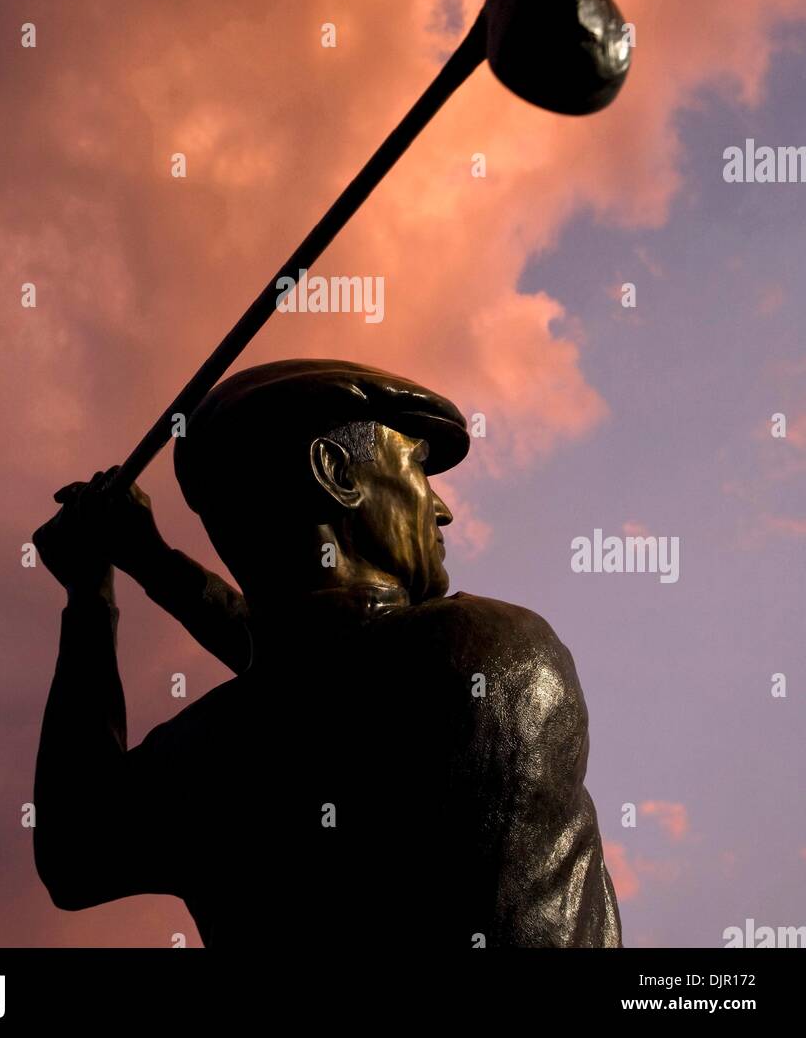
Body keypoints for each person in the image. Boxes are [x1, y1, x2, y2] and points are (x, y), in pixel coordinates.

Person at [32, 359, 621, 948]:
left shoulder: (201, 755)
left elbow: (73, 848)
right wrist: (150, 563)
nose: (441, 509)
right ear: (334, 472)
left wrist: (94, 589)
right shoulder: (494, 649)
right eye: (419, 469)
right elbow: (334, 670)